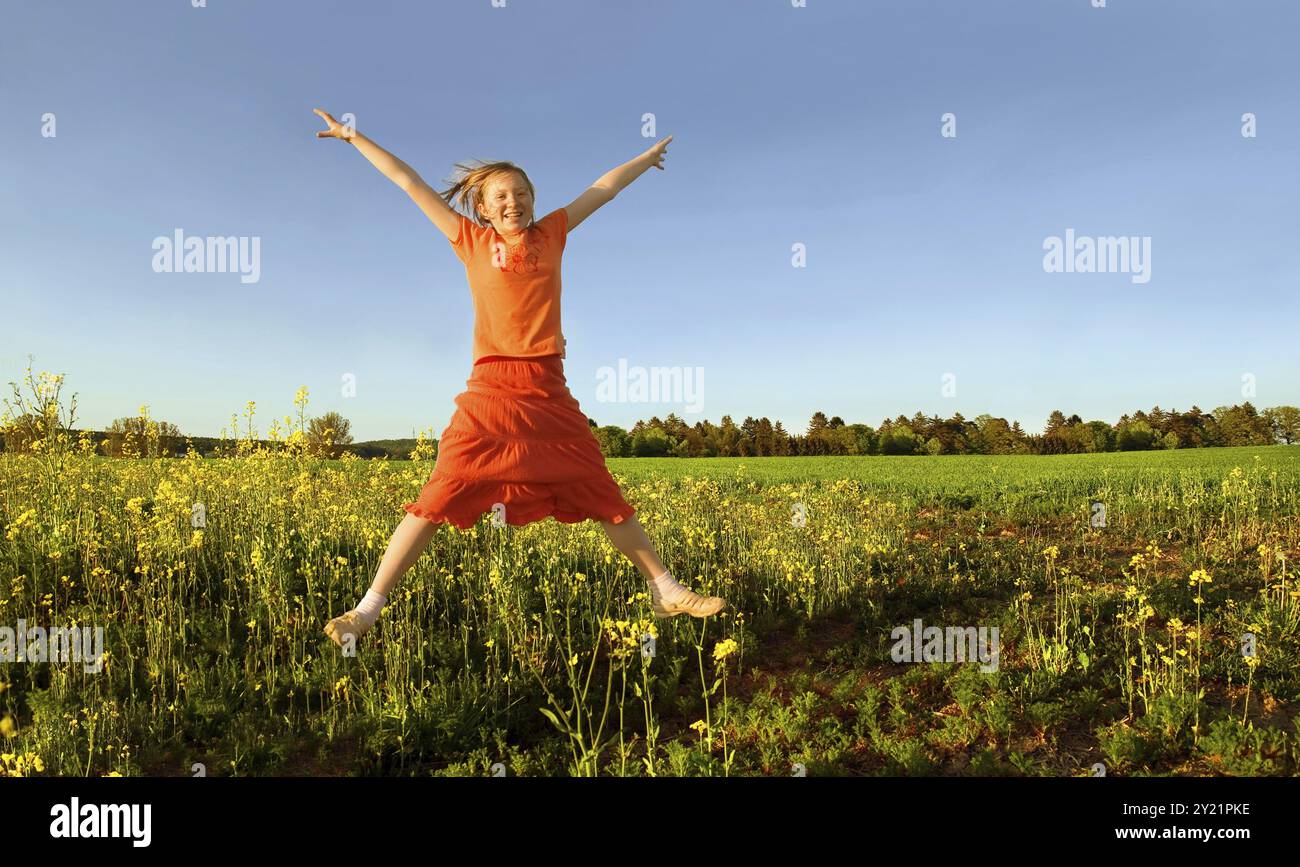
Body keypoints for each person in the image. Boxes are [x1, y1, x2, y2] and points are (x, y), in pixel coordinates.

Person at [311, 109, 725, 648]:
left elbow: (602, 189)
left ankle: (665, 588)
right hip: (490, 388)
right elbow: (407, 180)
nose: (514, 202)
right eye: (501, 196)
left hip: (547, 386)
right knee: (441, 491)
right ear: (482, 208)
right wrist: (353, 136)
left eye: (522, 192)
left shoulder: (553, 230)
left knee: (596, 487)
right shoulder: (469, 240)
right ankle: (366, 610)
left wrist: (645, 161)